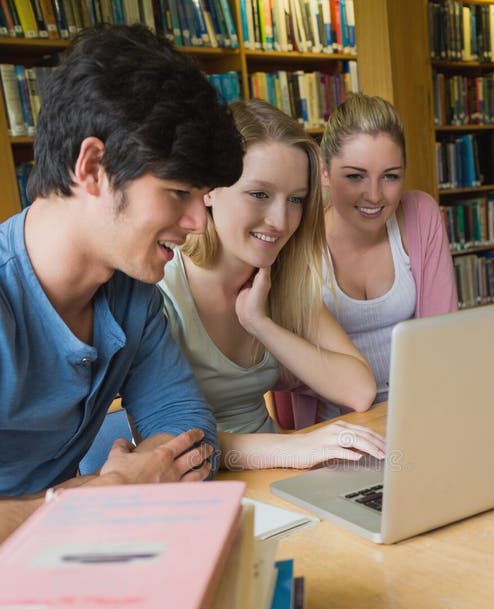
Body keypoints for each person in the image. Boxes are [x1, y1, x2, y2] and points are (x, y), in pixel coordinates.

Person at [0, 24, 244, 538]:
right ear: (92, 167)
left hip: (71, 559)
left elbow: (189, 429)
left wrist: (135, 480)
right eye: (178, 192)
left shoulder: (133, 295)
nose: (200, 223)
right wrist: (103, 495)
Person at [159, 99, 385, 471]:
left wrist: (260, 323)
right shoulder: (162, 289)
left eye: (295, 199)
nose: (281, 220)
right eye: (260, 194)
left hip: (274, 475)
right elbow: (171, 444)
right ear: (209, 190)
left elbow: (359, 390)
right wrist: (292, 449)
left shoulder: (278, 279)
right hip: (200, 484)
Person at [319, 92, 458, 411]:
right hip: (331, 426)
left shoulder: (420, 214)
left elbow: (444, 337)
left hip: (419, 408)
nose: (374, 196)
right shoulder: (300, 238)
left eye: (390, 176)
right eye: (355, 176)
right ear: (325, 171)